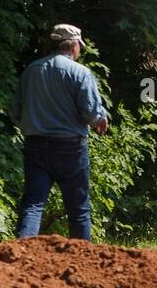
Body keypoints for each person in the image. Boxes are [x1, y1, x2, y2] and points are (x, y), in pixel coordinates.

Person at [9, 24, 109, 240]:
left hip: (35, 146)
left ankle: (20, 260)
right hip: (71, 149)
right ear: (73, 46)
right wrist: (101, 119)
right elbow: (91, 114)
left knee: (33, 205)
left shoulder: (31, 71)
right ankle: (84, 263)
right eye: (79, 46)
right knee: (78, 210)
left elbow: (15, 113)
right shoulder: (80, 73)